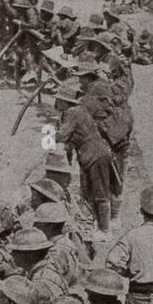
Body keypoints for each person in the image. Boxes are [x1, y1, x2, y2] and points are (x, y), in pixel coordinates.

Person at [55, 80, 114, 234]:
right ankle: (96, 225)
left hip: (94, 154)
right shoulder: (78, 110)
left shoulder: (72, 112)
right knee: (90, 192)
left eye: (58, 100)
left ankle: (105, 230)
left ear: (63, 101)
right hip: (93, 154)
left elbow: (61, 136)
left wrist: (47, 134)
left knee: (100, 194)